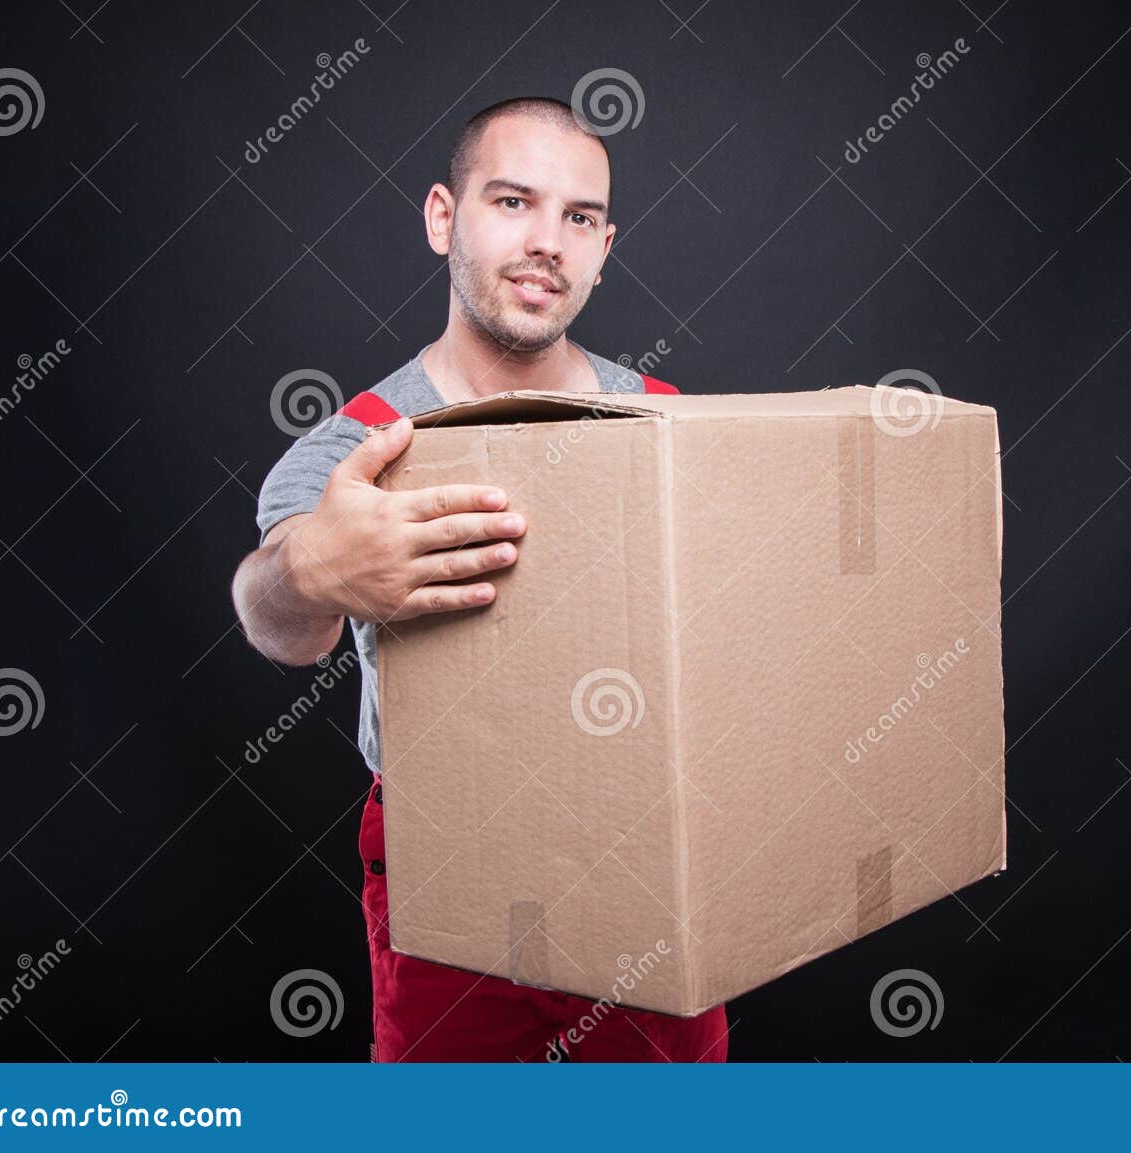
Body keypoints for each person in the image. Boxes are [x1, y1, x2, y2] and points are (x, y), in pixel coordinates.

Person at [230, 96, 729, 1062]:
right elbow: (280, 625)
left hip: (649, 860)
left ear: (605, 245)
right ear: (442, 219)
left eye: (579, 218)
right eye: (512, 201)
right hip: (445, 865)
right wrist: (313, 567)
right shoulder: (354, 447)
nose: (549, 241)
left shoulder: (671, 425)